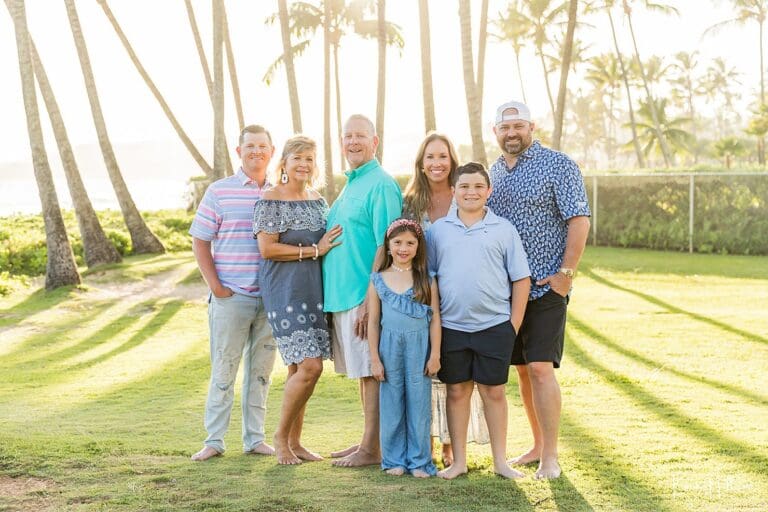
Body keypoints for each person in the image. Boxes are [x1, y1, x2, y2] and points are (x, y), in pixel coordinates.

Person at [487, 100, 591, 480]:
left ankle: (551, 457)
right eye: (504, 127)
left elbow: (579, 219)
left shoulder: (558, 165)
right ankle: (535, 445)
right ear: (495, 132)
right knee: (522, 370)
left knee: (541, 368)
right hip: (508, 291)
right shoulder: (493, 172)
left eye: (518, 126)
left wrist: (566, 274)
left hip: (547, 285)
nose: (511, 133)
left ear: (531, 127)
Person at [427, 162, 531, 480]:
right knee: (457, 392)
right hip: (452, 328)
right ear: (453, 191)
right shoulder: (438, 231)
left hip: (495, 326)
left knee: (494, 392)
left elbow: (521, 279)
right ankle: (459, 462)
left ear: (489, 191)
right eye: (464, 186)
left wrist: (512, 326)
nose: (471, 192)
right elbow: (430, 280)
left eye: (477, 186)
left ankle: (501, 462)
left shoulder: (503, 229)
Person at [189, 124, 278, 462]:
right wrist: (216, 286)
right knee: (224, 369)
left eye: (262, 146)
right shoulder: (220, 191)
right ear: (239, 152)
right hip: (232, 297)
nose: (257, 151)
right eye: (250, 146)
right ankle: (214, 440)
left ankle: (255, 439)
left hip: (269, 300)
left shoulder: (279, 192)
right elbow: (200, 240)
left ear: (271, 151)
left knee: (261, 373)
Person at [253, 135, 342, 465]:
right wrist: (315, 250)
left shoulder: (318, 201)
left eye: (309, 159)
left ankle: (295, 442)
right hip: (284, 292)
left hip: (314, 291)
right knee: (310, 366)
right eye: (298, 158)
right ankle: (280, 437)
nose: (304, 164)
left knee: (297, 369)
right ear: (285, 163)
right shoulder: (270, 199)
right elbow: (267, 249)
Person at [402, 133, 489, 467]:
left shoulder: (464, 195)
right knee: (422, 368)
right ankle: (424, 440)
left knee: (453, 372)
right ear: (421, 163)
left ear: (452, 160)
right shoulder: (410, 202)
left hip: (458, 293)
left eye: (442, 156)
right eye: (430, 157)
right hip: (419, 294)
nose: (436, 163)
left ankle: (453, 443)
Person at [322, 114, 403, 467]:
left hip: (362, 295)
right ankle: (368, 441)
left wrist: (373, 300)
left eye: (360, 136)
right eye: (348, 136)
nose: (353, 142)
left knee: (371, 371)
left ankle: (372, 450)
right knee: (362, 373)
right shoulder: (351, 184)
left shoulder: (381, 184)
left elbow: (388, 245)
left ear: (375, 141)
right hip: (342, 295)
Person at [367, 218, 441, 478]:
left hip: (419, 347)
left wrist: (435, 354)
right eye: (397, 242)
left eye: (410, 243)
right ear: (388, 246)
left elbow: (435, 320)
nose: (403, 248)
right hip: (389, 348)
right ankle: (394, 459)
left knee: (419, 404)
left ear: (418, 247)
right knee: (391, 403)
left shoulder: (426, 279)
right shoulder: (378, 280)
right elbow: (373, 322)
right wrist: (375, 359)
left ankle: (419, 461)